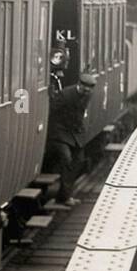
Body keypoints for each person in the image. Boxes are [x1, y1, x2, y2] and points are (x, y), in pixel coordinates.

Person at [42, 72, 96, 206]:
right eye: (85, 88)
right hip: (60, 133)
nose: (87, 91)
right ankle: (64, 197)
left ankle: (64, 194)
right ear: (80, 85)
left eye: (89, 89)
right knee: (66, 159)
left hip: (75, 133)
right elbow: (52, 112)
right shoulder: (65, 95)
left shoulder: (87, 96)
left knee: (78, 160)